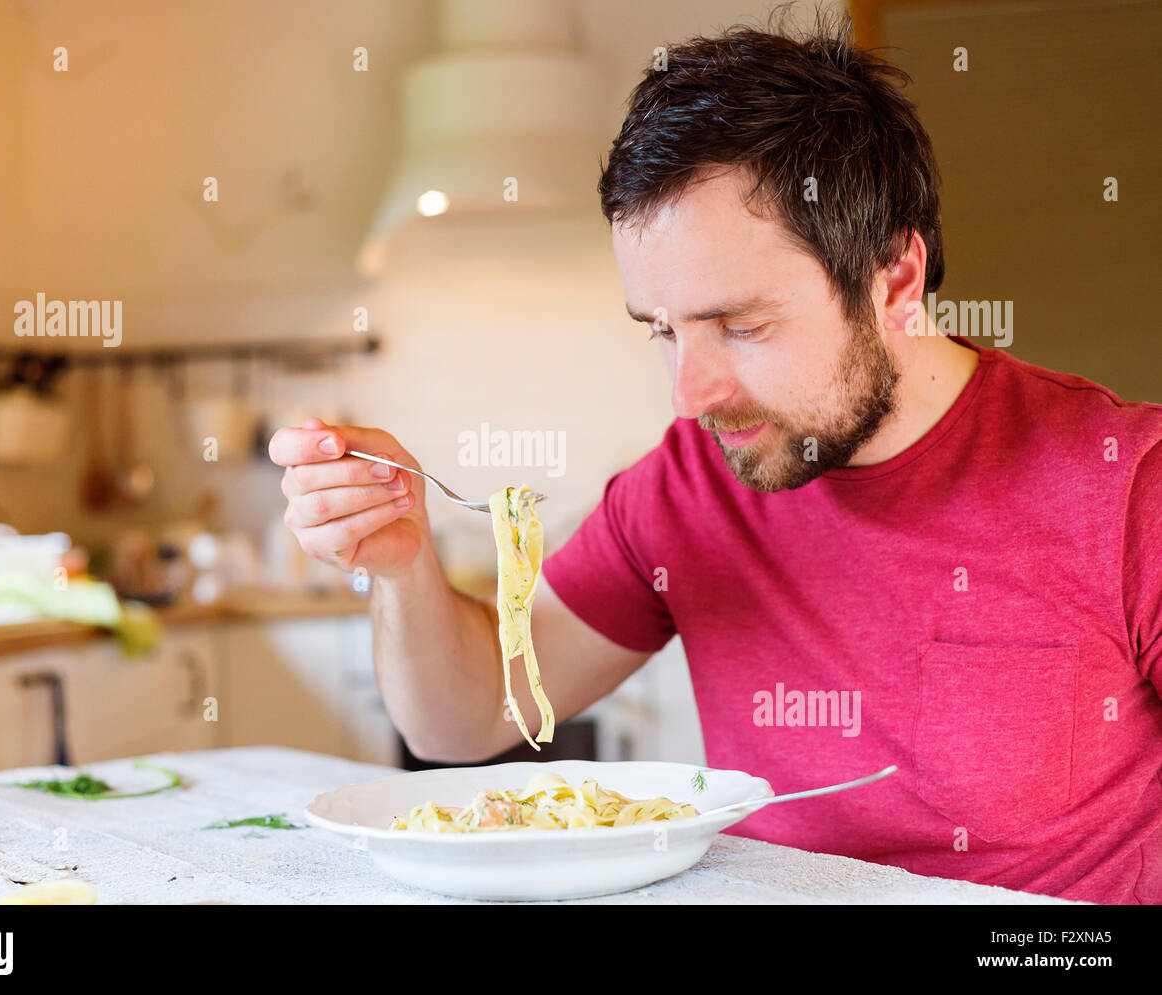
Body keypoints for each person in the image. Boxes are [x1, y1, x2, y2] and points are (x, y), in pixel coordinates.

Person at [269, 8, 1161, 904]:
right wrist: (402, 564)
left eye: (742, 326)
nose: (687, 395)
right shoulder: (686, 488)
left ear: (894, 280)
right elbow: (468, 721)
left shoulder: (1128, 482)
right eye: (662, 330)